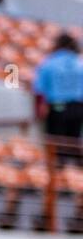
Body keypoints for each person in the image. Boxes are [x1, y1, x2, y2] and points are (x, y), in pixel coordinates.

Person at [33, 32, 83, 162]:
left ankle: (59, 173)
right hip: (78, 107)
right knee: (74, 141)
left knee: (56, 144)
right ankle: (74, 174)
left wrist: (39, 110)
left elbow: (39, 89)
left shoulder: (49, 63)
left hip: (57, 107)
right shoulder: (79, 63)